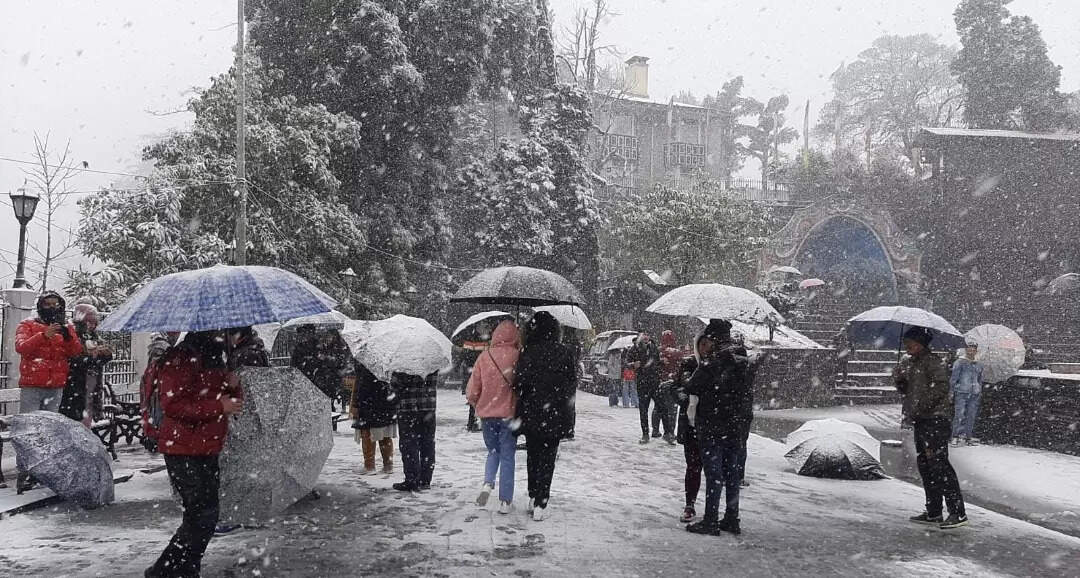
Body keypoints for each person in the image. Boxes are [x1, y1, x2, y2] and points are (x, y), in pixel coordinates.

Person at [146, 330, 243, 578]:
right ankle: (165, 570)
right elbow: (173, 405)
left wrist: (233, 387)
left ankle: (184, 568)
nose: (224, 333)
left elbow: (229, 402)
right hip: (182, 447)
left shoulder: (214, 357)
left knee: (203, 514)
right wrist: (218, 406)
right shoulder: (180, 358)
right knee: (202, 514)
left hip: (207, 445)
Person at [894, 326, 968, 530]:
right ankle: (934, 511)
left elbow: (941, 388)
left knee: (939, 464)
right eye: (906, 344)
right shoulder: (911, 363)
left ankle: (957, 512)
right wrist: (900, 379)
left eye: (911, 343)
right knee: (926, 465)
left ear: (921, 344)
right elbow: (907, 390)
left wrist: (921, 406)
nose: (907, 347)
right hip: (921, 419)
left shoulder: (933, 362)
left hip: (936, 419)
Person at [685, 319, 752, 536]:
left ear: (713, 338)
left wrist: (687, 380)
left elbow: (693, 385)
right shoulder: (742, 358)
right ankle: (732, 517)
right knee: (732, 472)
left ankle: (711, 520)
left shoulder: (714, 360)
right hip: (735, 424)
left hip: (713, 423)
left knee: (714, 473)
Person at [513, 311, 576, 521]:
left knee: (533, 455)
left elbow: (518, 382)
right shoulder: (565, 353)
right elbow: (571, 384)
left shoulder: (528, 351)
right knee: (549, 458)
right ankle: (542, 500)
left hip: (531, 412)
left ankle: (533, 494)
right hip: (555, 413)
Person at [466, 319, 520, 514]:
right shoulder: (518, 357)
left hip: (487, 415)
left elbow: (473, 390)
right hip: (509, 414)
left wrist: (476, 402)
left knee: (493, 452)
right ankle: (505, 501)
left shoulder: (484, 356)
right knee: (507, 456)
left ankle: (487, 484)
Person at [14, 291, 83, 414]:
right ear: (41, 306)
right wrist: (43, 336)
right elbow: (21, 347)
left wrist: (68, 338)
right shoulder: (27, 325)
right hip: (32, 385)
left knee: (50, 425)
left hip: (56, 386)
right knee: (29, 423)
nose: (52, 308)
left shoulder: (66, 327)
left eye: (55, 304)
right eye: (48, 304)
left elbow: (75, 352)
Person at [59, 303, 113, 425]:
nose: (92, 325)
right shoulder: (72, 336)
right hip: (75, 385)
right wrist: (93, 356)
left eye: (94, 323)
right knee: (75, 420)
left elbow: (101, 358)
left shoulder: (94, 336)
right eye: (89, 322)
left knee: (87, 418)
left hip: (92, 385)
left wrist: (105, 354)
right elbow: (74, 359)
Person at [392, 370, 438, 492]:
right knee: (427, 444)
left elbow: (396, 387)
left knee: (409, 445)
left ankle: (412, 479)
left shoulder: (401, 364)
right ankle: (425, 479)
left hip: (408, 408)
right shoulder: (432, 360)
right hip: (428, 408)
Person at [351, 362, 397, 475]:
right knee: (385, 434)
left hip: (369, 402)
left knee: (367, 434)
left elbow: (361, 384)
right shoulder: (388, 359)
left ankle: (369, 466)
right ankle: (388, 465)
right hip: (386, 401)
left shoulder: (363, 361)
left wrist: (355, 404)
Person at [674, 337, 702, 523]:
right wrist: (685, 397)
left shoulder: (719, 365)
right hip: (691, 425)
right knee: (692, 467)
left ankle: (714, 511)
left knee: (714, 471)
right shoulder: (690, 364)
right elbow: (676, 389)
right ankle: (690, 504)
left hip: (711, 426)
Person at [292, 328, 348, 410]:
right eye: (303, 334)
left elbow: (329, 361)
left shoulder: (319, 345)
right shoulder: (299, 347)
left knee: (323, 397)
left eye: (308, 333)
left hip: (320, 377)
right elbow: (295, 362)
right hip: (306, 375)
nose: (306, 336)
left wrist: (322, 359)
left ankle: (328, 408)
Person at [626, 330, 662, 444]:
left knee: (662, 406)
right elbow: (626, 362)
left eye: (647, 334)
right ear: (640, 337)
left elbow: (657, 361)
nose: (646, 337)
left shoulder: (653, 347)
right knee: (643, 409)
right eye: (644, 335)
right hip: (642, 382)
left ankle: (666, 432)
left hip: (654, 381)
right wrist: (632, 365)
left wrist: (661, 364)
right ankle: (645, 434)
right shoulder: (634, 349)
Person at [950, 341, 984, 446]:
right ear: (966, 350)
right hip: (962, 392)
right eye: (969, 349)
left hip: (975, 393)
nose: (972, 351)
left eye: (974, 349)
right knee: (959, 414)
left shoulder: (979, 364)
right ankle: (955, 436)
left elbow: (980, 379)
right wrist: (951, 391)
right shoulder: (960, 362)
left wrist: (979, 389)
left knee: (971, 415)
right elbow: (953, 378)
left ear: (976, 351)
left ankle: (967, 436)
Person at [652, 330, 682, 444]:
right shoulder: (677, 353)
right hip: (671, 382)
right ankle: (669, 432)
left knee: (658, 407)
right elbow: (681, 366)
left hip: (658, 383)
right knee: (672, 409)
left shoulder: (657, 351)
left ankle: (655, 430)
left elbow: (652, 366)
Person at [620, 342, 638, 408]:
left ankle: (626, 403)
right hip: (632, 373)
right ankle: (635, 403)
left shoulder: (624, 353)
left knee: (625, 389)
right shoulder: (634, 351)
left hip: (625, 373)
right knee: (633, 389)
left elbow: (622, 364)